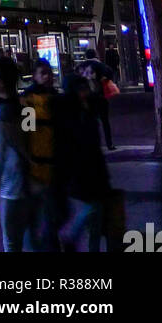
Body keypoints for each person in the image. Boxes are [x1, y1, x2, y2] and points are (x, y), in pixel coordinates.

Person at [0, 56, 30, 252]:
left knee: (11, 242)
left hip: (11, 184)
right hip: (31, 179)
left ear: (1, 80)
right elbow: (31, 138)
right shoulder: (25, 105)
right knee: (29, 237)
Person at [58, 73, 109, 252]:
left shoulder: (89, 108)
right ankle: (72, 234)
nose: (85, 92)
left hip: (94, 168)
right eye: (81, 89)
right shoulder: (73, 114)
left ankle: (86, 244)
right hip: (83, 170)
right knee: (93, 208)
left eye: (85, 88)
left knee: (96, 219)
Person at [20, 59, 62, 251]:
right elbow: (27, 132)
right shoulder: (30, 99)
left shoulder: (55, 97)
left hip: (51, 165)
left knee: (50, 215)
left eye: (49, 73)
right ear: (35, 75)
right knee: (39, 216)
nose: (47, 77)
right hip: (37, 166)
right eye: (43, 73)